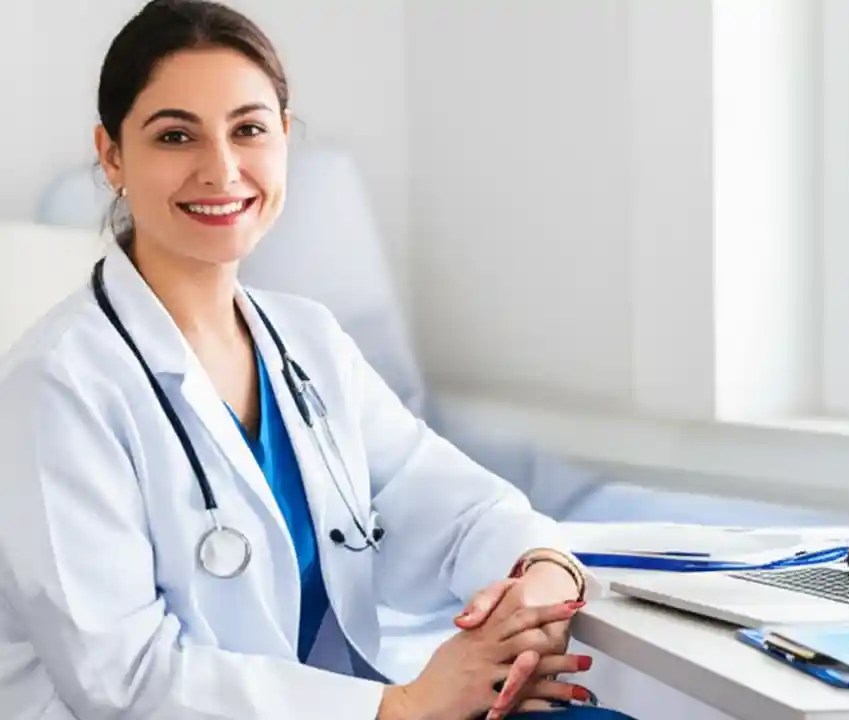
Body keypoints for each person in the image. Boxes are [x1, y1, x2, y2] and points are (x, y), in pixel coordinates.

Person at [0, 2, 634, 718]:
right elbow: (126, 681)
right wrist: (402, 707)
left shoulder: (308, 342)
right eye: (176, 135)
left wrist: (540, 571)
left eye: (248, 130)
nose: (221, 169)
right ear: (112, 154)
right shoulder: (58, 385)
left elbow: (463, 508)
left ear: (283, 137)